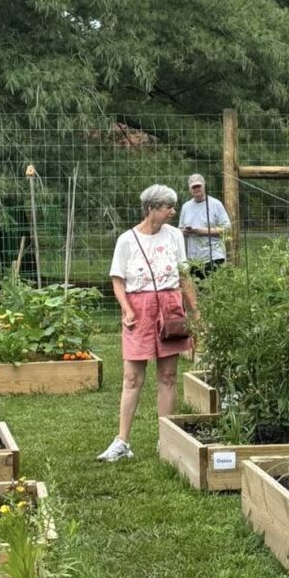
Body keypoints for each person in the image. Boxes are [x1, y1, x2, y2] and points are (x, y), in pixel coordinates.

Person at [99, 184, 199, 462]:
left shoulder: (175, 236)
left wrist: (195, 310)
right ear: (151, 209)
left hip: (169, 307)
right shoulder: (127, 240)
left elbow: (184, 274)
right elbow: (117, 280)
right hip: (139, 308)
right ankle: (122, 441)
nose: (172, 211)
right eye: (168, 206)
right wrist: (127, 309)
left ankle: (167, 440)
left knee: (168, 376)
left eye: (172, 206)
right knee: (132, 377)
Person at [179, 174, 230, 275]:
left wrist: (200, 231)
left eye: (199, 186)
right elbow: (180, 230)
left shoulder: (216, 204)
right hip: (194, 259)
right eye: (194, 187)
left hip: (214, 256)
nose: (196, 189)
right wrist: (185, 231)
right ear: (189, 188)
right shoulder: (186, 207)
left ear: (204, 186)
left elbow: (226, 229)